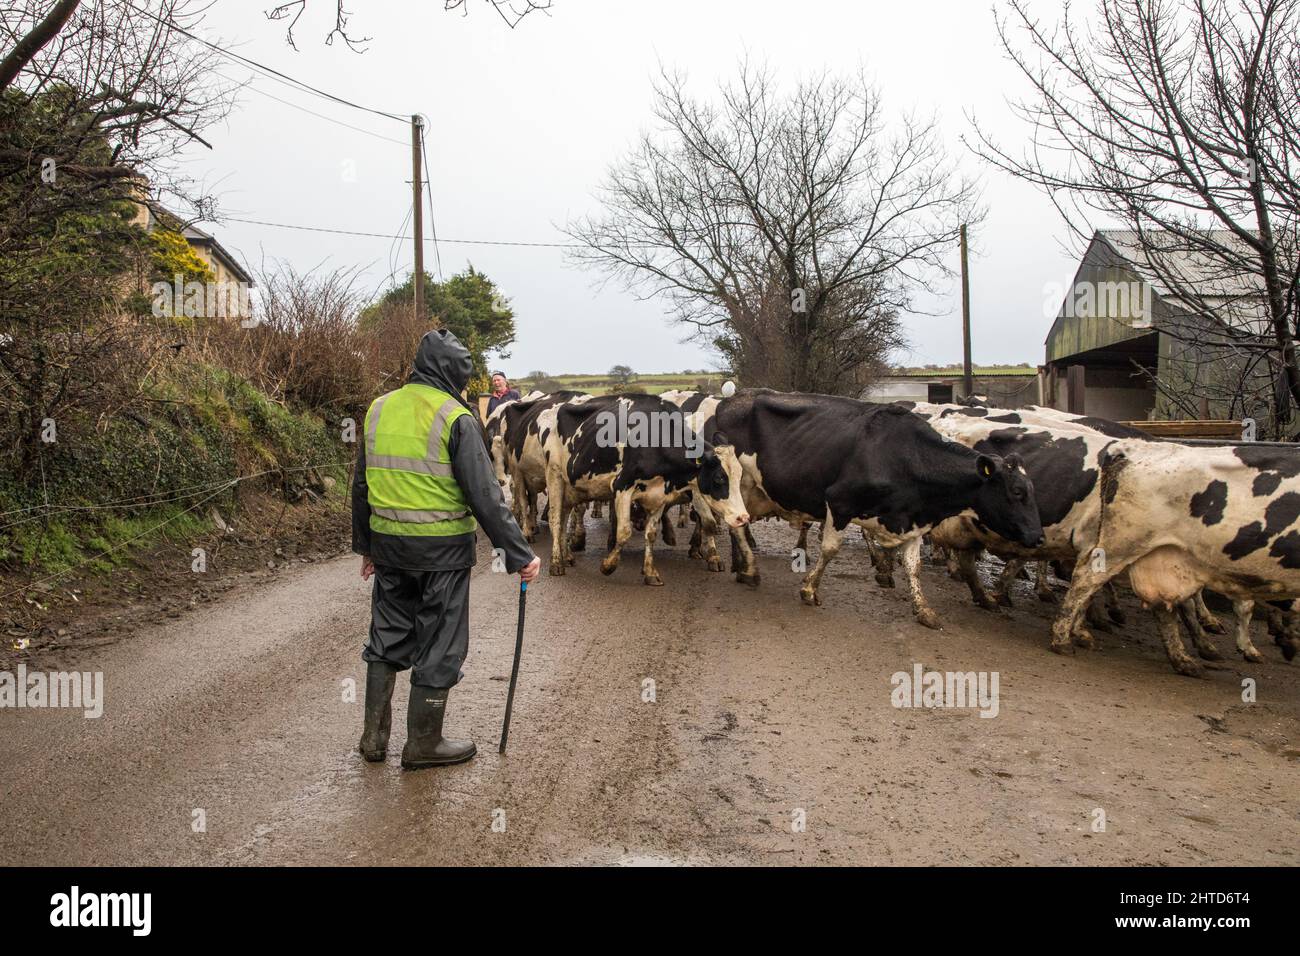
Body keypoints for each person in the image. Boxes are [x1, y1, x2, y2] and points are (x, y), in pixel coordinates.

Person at [352, 330, 541, 770]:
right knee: (440, 642)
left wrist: (367, 547)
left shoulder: (378, 409)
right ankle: (423, 744)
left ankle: (373, 739)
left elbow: (361, 484)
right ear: (453, 373)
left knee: (387, 634)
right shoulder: (455, 417)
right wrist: (519, 555)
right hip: (441, 554)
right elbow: (484, 494)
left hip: (390, 548)